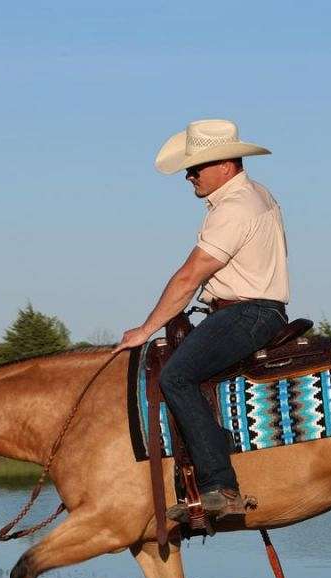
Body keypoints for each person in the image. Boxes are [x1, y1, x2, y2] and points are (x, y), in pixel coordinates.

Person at [113, 119, 290, 520]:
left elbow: (190, 276)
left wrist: (146, 329)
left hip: (248, 312)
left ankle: (220, 485)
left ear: (226, 165)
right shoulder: (257, 195)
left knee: (176, 377)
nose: (189, 175)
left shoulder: (234, 207)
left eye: (197, 167)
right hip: (256, 309)